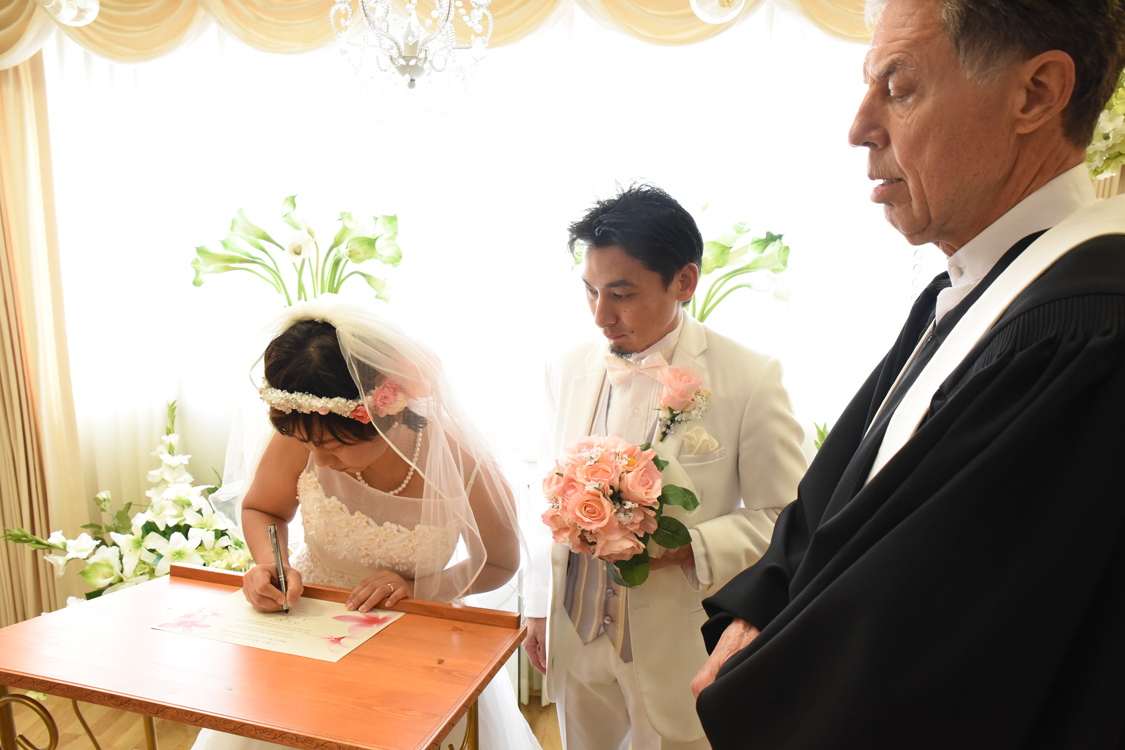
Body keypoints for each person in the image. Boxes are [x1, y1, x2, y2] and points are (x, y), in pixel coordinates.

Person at [693, 0, 1125, 747]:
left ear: (1035, 94)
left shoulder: (1083, 325)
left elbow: (930, 645)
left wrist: (765, 685)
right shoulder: (971, 288)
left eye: (897, 88)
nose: (858, 127)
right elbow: (839, 490)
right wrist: (758, 608)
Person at [523, 185, 807, 750]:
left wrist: (688, 548)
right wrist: (537, 606)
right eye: (590, 291)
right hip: (576, 630)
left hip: (676, 639)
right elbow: (543, 490)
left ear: (684, 281)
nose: (601, 315)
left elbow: (786, 517)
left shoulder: (749, 377)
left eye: (622, 294)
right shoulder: (565, 367)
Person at [192, 298, 540, 750]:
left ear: (384, 414)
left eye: (334, 448)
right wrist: (271, 563)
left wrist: (419, 588)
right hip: (311, 624)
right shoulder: (310, 427)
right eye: (309, 446)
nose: (318, 460)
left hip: (416, 634)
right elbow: (264, 509)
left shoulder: (463, 461)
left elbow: (499, 562)